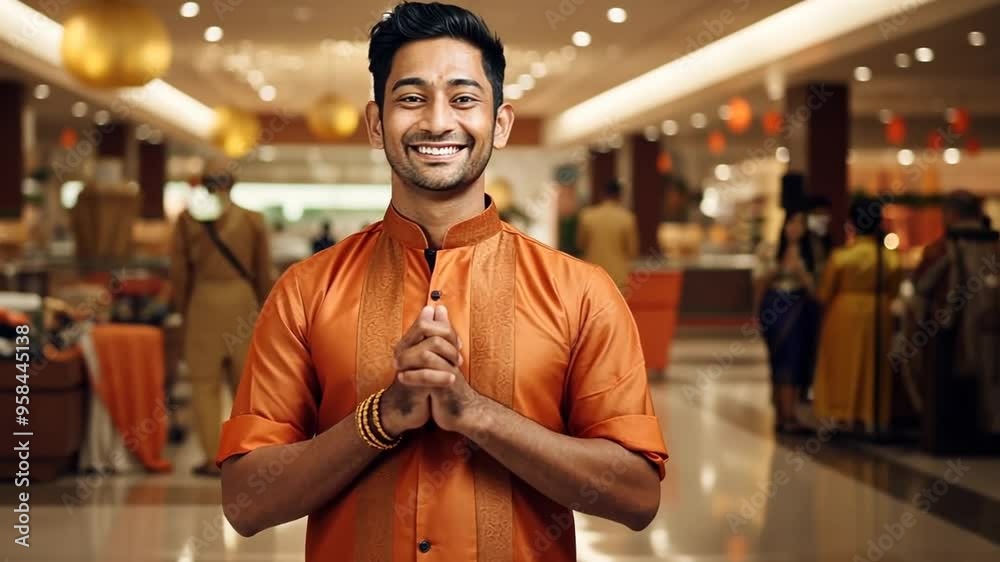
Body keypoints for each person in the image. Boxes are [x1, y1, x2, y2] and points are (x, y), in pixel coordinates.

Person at [216, 4, 667, 562]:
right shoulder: (306, 290)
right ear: (377, 123)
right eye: (410, 98)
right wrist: (381, 417)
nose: (436, 121)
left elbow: (638, 495)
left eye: (463, 98)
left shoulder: (582, 292)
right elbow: (244, 502)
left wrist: (478, 414)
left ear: (499, 123)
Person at [169, 168, 273, 477]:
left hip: (204, 300)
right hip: (242, 301)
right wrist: (267, 309)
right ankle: (245, 451)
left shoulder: (188, 221)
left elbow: (179, 273)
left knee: (204, 384)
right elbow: (263, 270)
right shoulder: (253, 220)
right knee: (245, 383)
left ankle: (212, 457)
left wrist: (184, 309)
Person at [911, 190, 1000, 450]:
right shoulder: (995, 245)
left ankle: (955, 439)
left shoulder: (943, 248)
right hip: (993, 325)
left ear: (950, 215)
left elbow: (922, 286)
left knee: (957, 382)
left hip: (955, 329)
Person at [813, 198, 902, 433]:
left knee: (843, 363)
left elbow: (825, 293)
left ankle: (843, 413)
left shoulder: (842, 257)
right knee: (875, 364)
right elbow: (894, 291)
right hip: (879, 314)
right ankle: (873, 414)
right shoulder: (890, 258)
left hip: (844, 313)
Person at [753, 209, 818, 433]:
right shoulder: (770, 250)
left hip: (799, 309)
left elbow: (816, 289)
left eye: (800, 224)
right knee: (778, 358)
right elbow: (760, 283)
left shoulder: (811, 253)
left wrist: (801, 273)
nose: (795, 228)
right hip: (775, 309)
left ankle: (790, 412)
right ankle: (781, 412)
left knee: (795, 359)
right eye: (792, 223)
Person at [576, 179, 640, 292]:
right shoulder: (627, 218)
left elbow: (581, 245)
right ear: (620, 196)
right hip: (618, 275)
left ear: (602, 194)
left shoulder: (587, 216)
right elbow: (632, 250)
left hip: (593, 273)